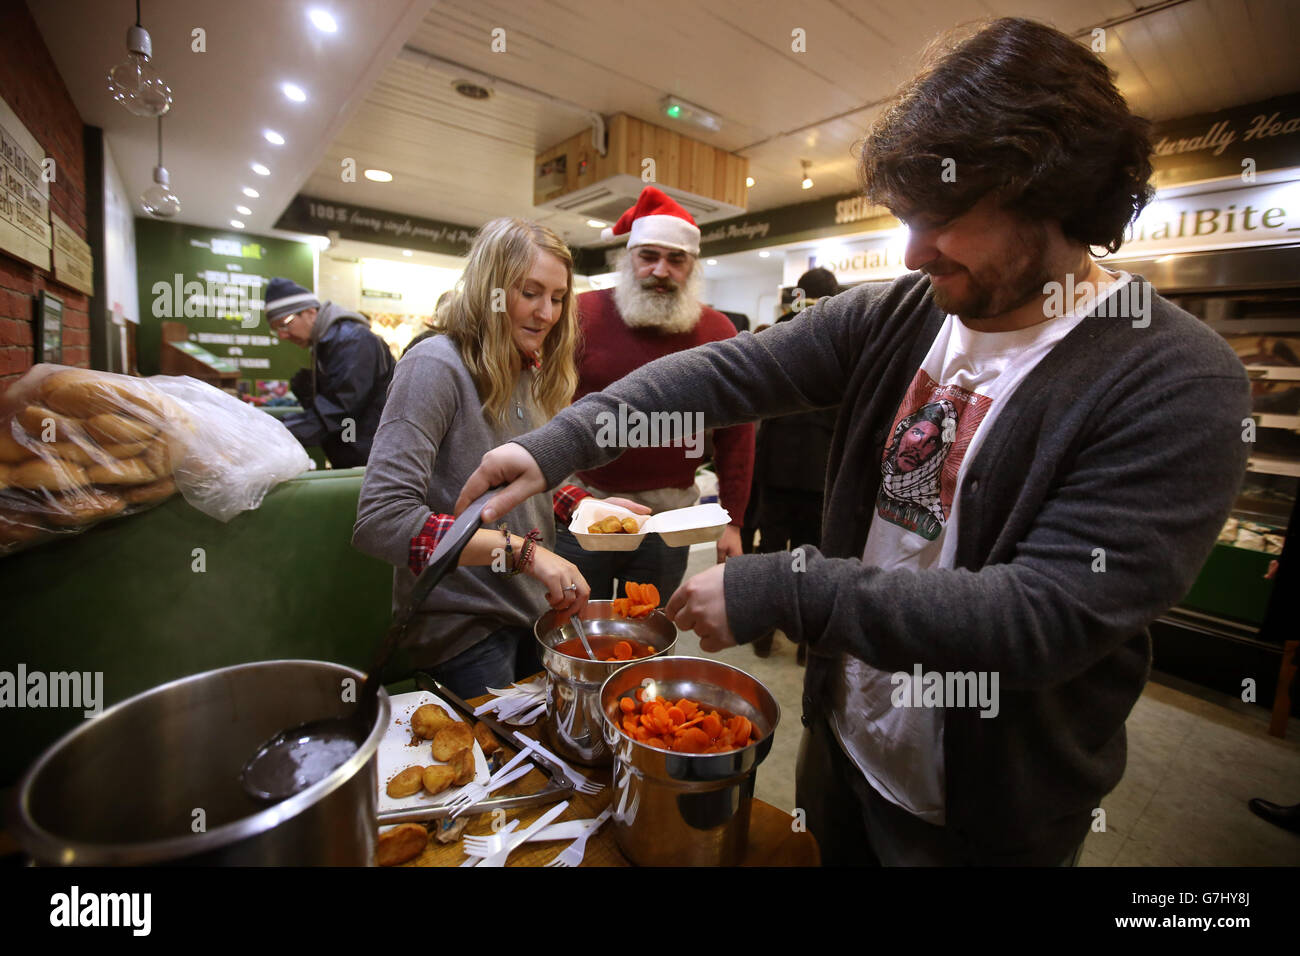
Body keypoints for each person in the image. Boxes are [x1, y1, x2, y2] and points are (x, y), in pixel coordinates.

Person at [455, 17, 1252, 865]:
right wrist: (559, 443)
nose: (913, 251)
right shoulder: (901, 313)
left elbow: (1043, 617)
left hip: (986, 811)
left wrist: (789, 592)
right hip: (842, 753)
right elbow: (728, 375)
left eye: (942, 218)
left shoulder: (1175, 380)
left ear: (1057, 196)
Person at [352, 219, 642, 700]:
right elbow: (381, 521)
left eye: (557, 298)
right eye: (530, 293)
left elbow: (529, 484)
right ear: (490, 289)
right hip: (461, 628)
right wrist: (524, 553)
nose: (546, 313)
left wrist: (586, 508)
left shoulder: (534, 370)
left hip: (531, 614)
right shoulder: (434, 365)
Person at [553, 185, 755, 602]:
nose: (661, 270)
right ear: (628, 259)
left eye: (675, 259)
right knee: (574, 625)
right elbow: (543, 407)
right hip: (586, 507)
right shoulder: (579, 315)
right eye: (648, 256)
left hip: (670, 519)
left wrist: (734, 521)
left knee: (645, 627)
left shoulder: (718, 331)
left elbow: (738, 432)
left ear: (691, 266)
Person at [750, 268, 841, 661]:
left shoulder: (779, 333)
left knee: (771, 553)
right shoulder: (843, 338)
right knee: (810, 556)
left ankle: (763, 632)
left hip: (776, 468)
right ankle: (804, 642)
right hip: (820, 471)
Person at [267, 277, 394, 467]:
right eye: (276, 330)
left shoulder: (353, 341)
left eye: (285, 324)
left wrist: (277, 432)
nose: (283, 335)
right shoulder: (327, 344)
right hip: (356, 454)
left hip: (370, 461)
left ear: (310, 311)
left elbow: (338, 410)